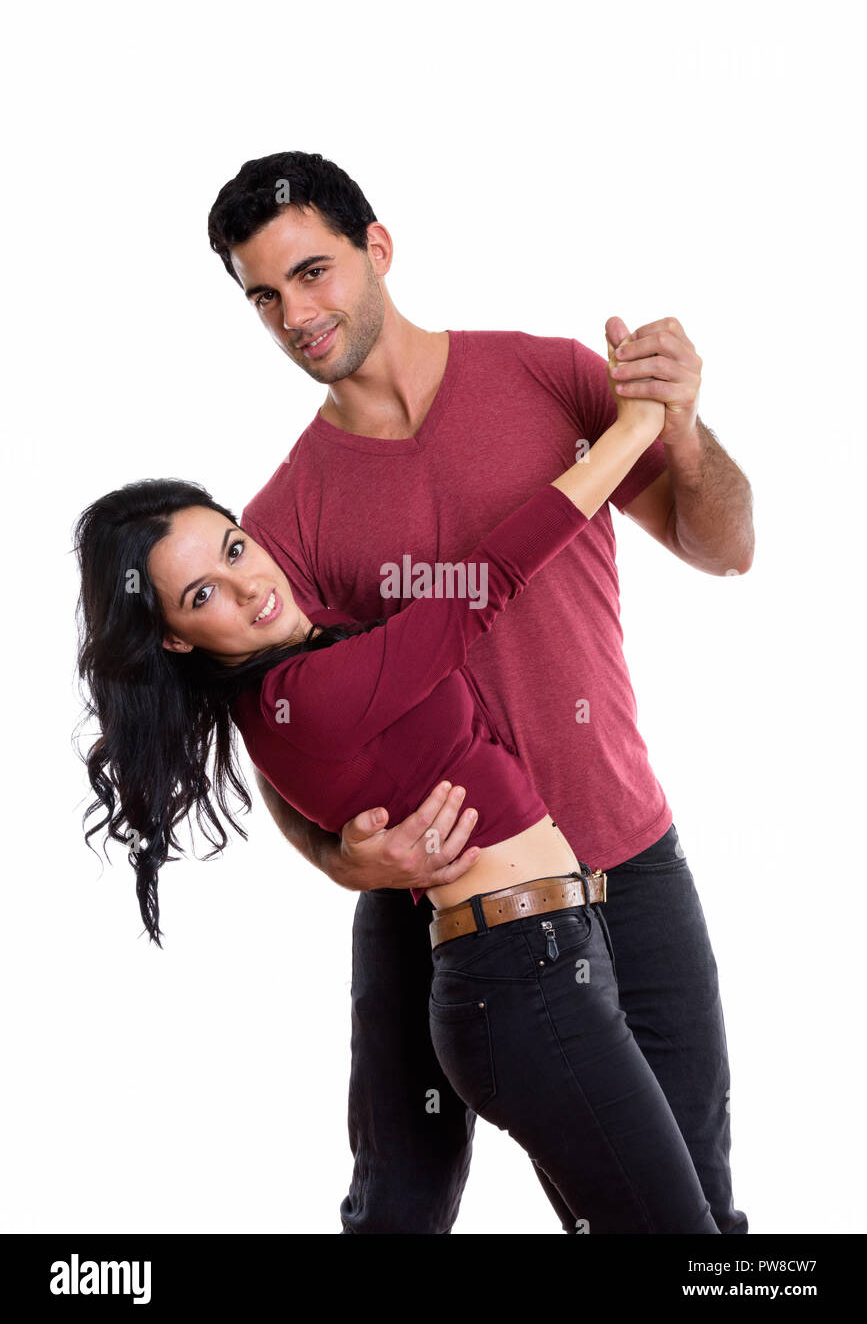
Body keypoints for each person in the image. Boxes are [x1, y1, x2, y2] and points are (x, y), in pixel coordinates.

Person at [199, 151, 754, 1235]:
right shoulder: (283, 520)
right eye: (264, 296)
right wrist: (340, 858)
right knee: (399, 1211)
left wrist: (681, 421)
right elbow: (274, 729)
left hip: (630, 861)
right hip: (439, 902)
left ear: (379, 248)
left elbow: (726, 544)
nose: (295, 316)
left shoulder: (545, 376)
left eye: (312, 273)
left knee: (694, 1218)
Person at [75, 382, 722, 1232]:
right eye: (200, 597)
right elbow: (484, 585)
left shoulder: (309, 653)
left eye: (234, 551)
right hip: (521, 980)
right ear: (174, 638)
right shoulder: (305, 695)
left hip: (551, 952)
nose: (245, 588)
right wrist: (632, 431)